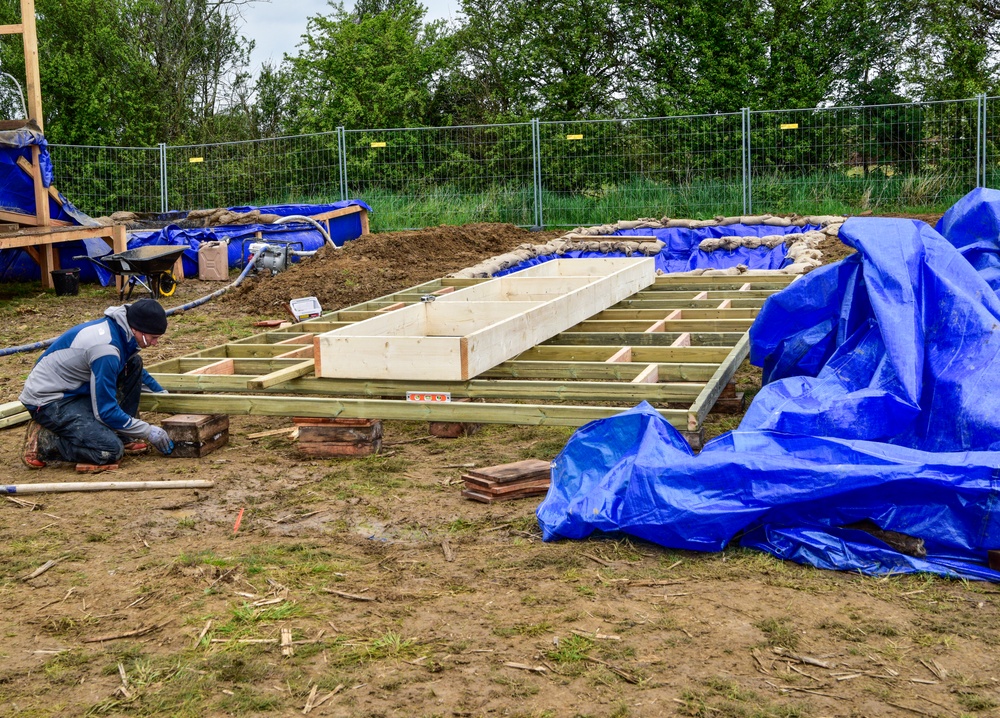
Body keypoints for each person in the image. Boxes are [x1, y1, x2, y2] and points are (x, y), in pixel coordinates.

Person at [20, 298, 175, 472]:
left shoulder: (122, 331)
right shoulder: (106, 349)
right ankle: (44, 442)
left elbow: (135, 372)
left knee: (134, 363)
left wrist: (164, 396)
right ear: (136, 329)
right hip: (49, 400)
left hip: (73, 389)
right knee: (110, 451)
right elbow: (105, 412)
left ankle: (124, 435)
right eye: (153, 338)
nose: (155, 343)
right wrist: (148, 431)